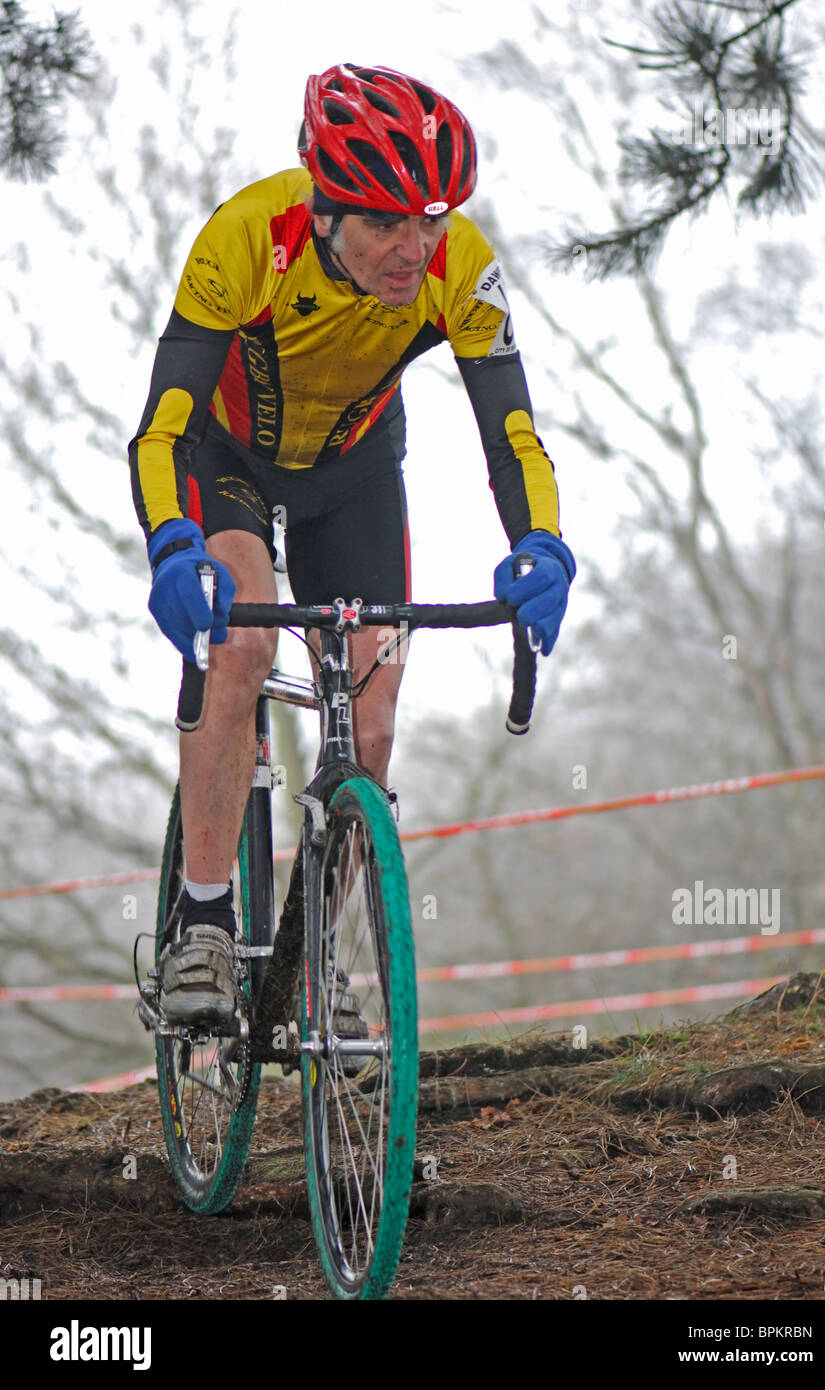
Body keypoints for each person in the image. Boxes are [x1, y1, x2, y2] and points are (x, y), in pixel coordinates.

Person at [129, 62, 575, 1026]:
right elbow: (160, 431)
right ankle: (202, 924)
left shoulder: (462, 264)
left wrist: (540, 540)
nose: (414, 248)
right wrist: (172, 544)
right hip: (231, 458)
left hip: (357, 474)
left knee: (370, 720)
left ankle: (311, 964)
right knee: (240, 644)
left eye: (432, 218)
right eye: (384, 222)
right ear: (324, 208)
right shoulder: (247, 236)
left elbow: (514, 435)